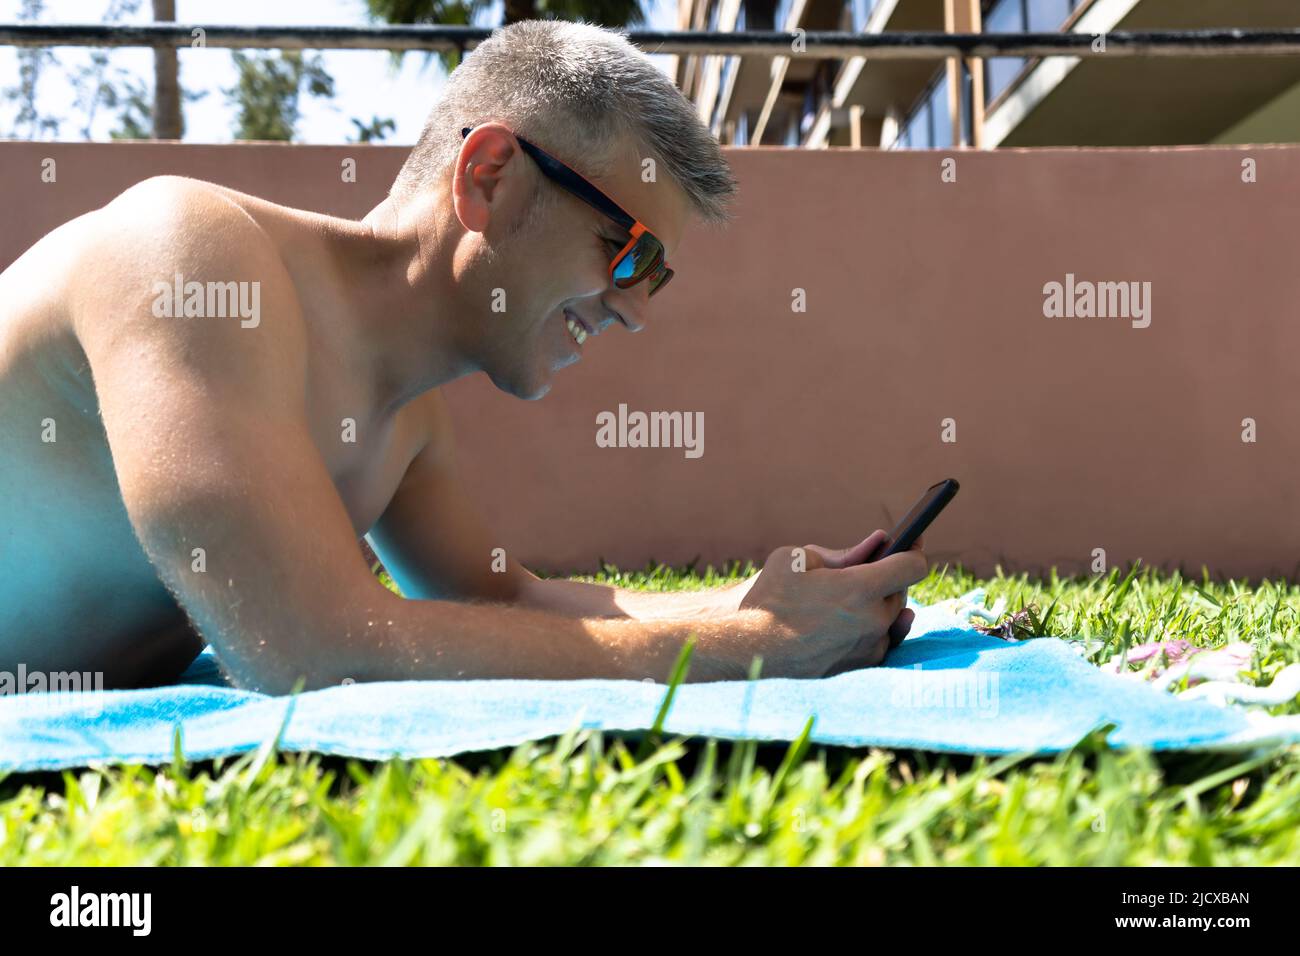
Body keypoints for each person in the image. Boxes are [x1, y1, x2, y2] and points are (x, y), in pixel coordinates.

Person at [0, 20, 926, 693]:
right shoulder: (187, 254)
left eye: (661, 276)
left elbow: (508, 605)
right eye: (630, 252)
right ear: (489, 176)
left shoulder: (404, 418)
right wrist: (748, 648)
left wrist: (758, 601)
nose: (636, 312)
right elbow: (306, 648)